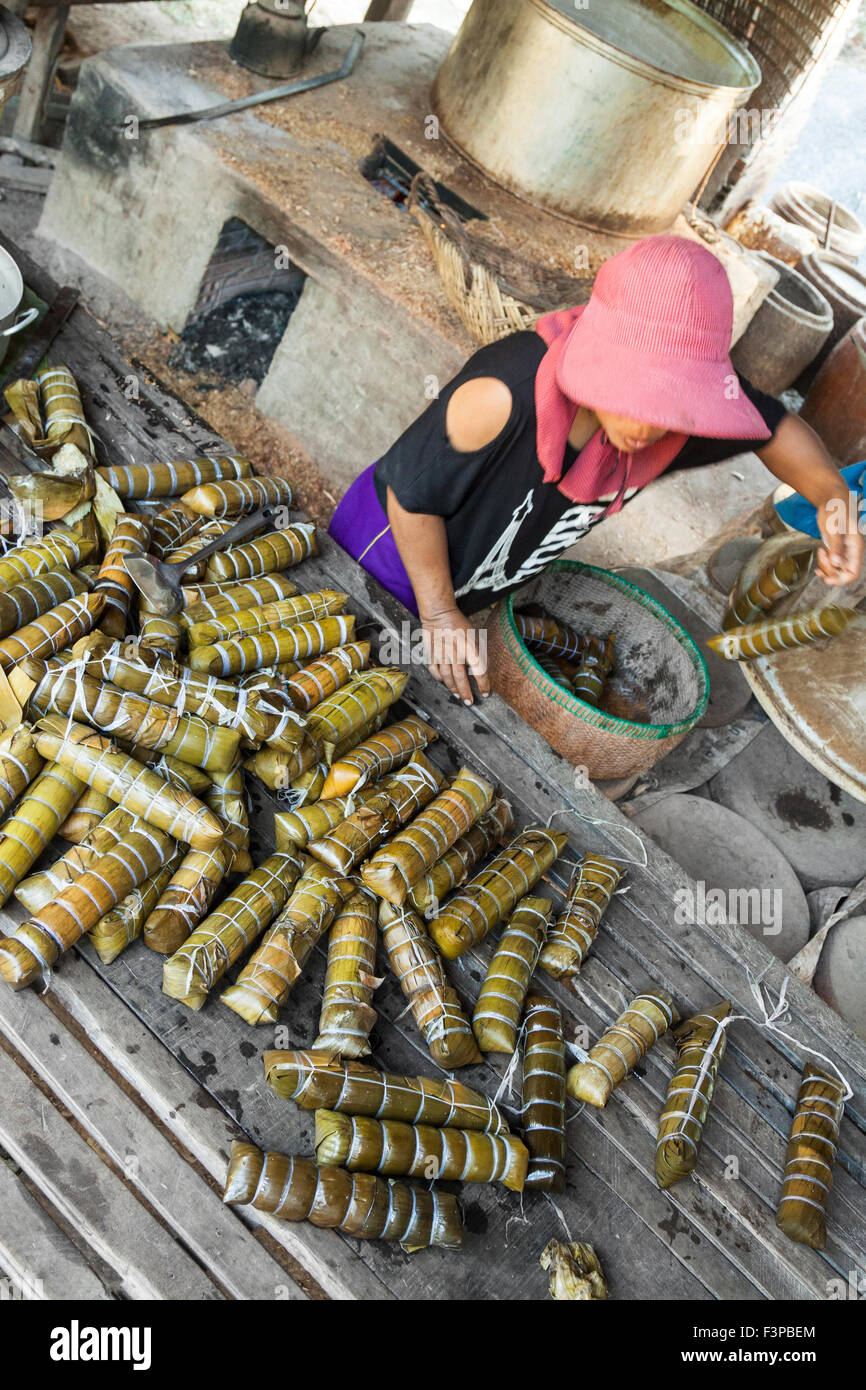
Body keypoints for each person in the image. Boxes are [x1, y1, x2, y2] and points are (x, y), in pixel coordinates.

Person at [329, 235, 863, 703]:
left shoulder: (674, 423)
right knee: (333, 657)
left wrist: (832, 498)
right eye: (638, 397)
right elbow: (411, 497)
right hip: (391, 554)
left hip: (470, 580)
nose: (651, 428)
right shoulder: (500, 394)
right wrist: (441, 614)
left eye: (670, 405)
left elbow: (773, 426)